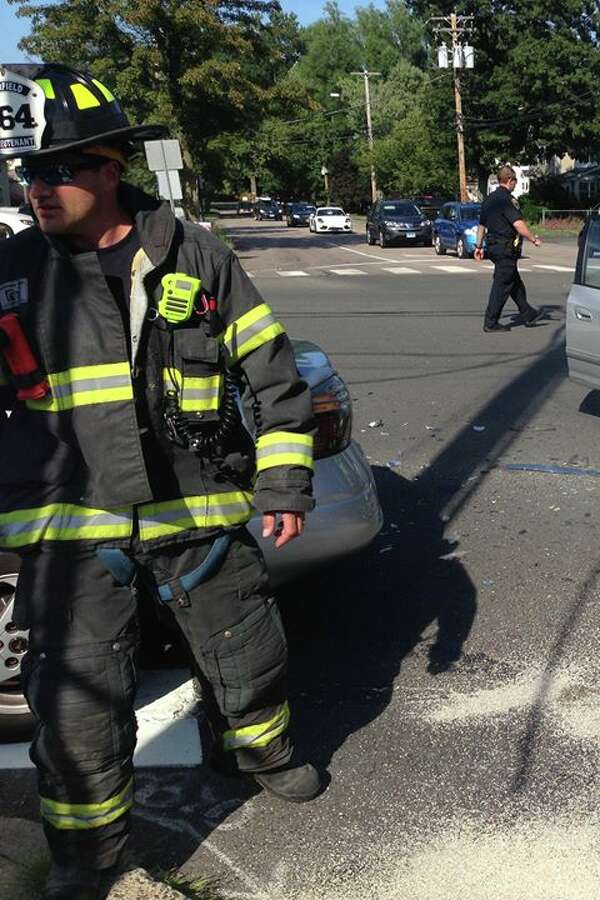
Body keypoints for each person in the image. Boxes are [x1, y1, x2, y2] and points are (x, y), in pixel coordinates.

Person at [0, 63, 322, 898]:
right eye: (28, 171)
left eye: (59, 169)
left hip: (197, 510)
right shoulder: (11, 274)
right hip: (69, 528)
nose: (39, 187)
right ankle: (87, 857)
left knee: (246, 653)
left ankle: (258, 752)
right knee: (74, 710)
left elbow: (277, 377)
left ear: (112, 167)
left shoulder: (194, 255)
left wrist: (285, 487)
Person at [474, 165, 543, 332]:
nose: (515, 185)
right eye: (515, 182)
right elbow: (518, 225)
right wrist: (533, 238)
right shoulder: (507, 200)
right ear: (510, 180)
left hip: (493, 247)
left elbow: (482, 225)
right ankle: (490, 322)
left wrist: (478, 246)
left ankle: (528, 313)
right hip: (506, 249)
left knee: (514, 283)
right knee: (502, 285)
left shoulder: (489, 199)